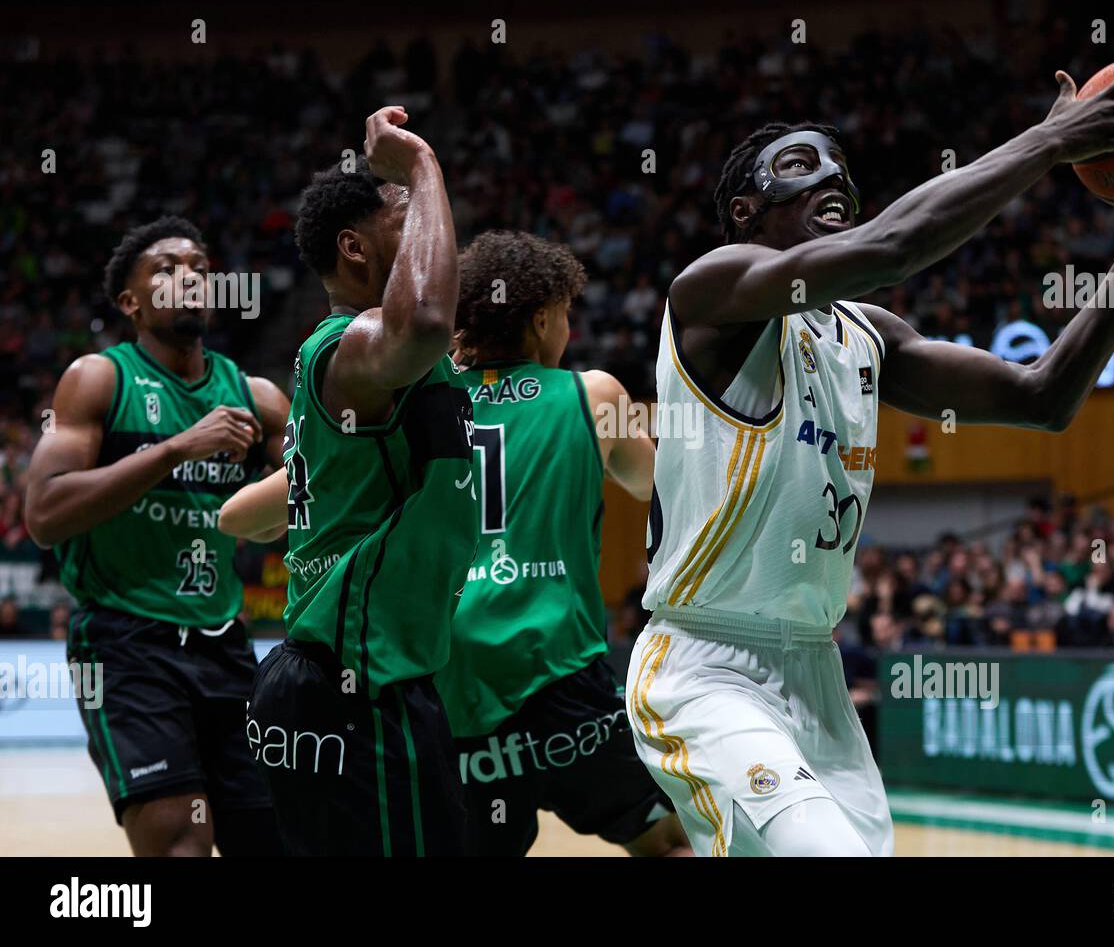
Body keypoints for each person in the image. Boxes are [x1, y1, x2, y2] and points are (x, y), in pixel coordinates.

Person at [630, 55, 1114, 856]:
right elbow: (896, 246)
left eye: (840, 165)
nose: (832, 177)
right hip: (705, 667)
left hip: (816, 674)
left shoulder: (867, 336)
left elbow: (1042, 398)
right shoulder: (712, 290)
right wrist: (1050, 141)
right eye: (801, 166)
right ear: (747, 211)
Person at [222, 230, 692, 856]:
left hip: (444, 685)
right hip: (554, 671)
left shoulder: (414, 402)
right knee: (667, 840)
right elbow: (651, 483)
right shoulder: (593, 394)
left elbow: (239, 518)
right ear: (545, 317)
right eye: (567, 318)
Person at [246, 107, 476, 856]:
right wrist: (419, 165)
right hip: (357, 686)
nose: (430, 230)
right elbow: (424, 325)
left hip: (346, 676)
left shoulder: (360, 365)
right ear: (354, 248)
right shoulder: (348, 346)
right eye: (404, 219)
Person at [24, 216, 290, 856]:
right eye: (168, 269)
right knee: (180, 844)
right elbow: (44, 512)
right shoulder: (98, 379)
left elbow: (316, 507)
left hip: (225, 644)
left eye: (200, 267)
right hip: (126, 644)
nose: (190, 278)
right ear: (130, 302)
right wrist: (177, 448)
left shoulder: (257, 399)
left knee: (278, 841)